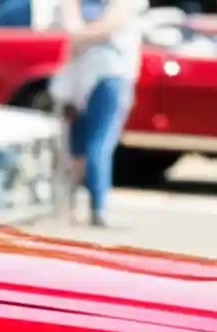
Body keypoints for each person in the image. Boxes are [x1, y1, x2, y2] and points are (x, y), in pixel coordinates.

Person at [53, 0, 146, 227]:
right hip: (111, 71)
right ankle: (98, 205)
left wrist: (79, 34)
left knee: (78, 141)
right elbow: (112, 23)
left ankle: (69, 205)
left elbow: (70, 24)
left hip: (80, 74)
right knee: (100, 140)